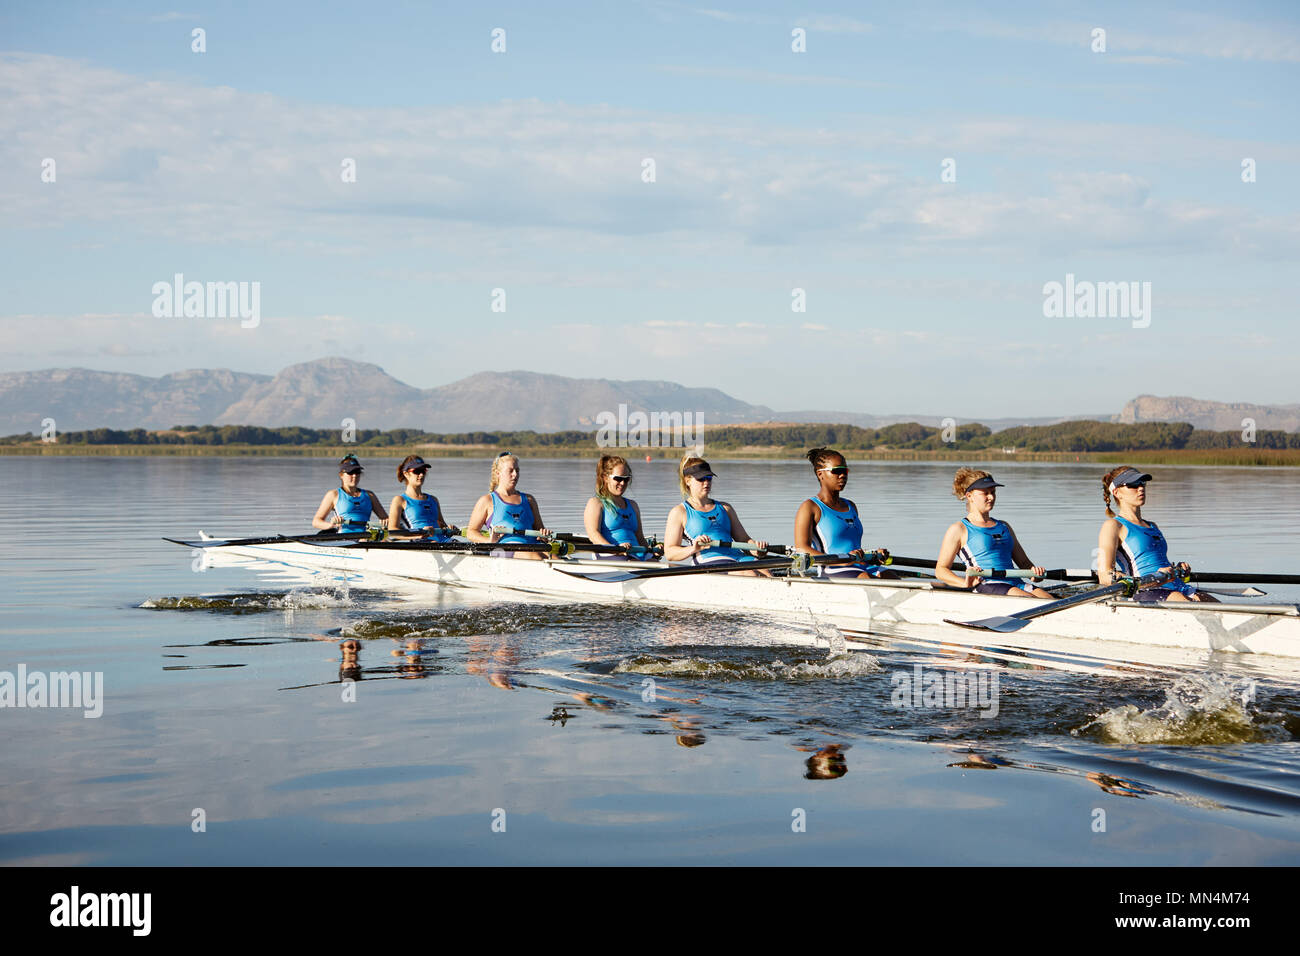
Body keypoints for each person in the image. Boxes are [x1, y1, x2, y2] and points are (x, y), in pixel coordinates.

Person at [1096, 466, 1216, 603]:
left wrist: (1178, 570)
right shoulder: (1113, 526)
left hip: (1178, 587)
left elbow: (1156, 562)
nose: (1140, 488)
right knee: (1188, 604)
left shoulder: (1153, 526)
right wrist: (1129, 580)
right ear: (1117, 492)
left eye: (1142, 483)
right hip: (1146, 591)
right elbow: (1104, 576)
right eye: (1133, 484)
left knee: (1220, 606)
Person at [935, 468, 1052, 598]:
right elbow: (941, 570)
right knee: (1031, 600)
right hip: (987, 583)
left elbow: (1024, 564)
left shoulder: (1004, 526)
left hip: (1016, 583)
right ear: (969, 496)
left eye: (993, 492)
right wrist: (964, 583)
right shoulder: (959, 529)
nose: (991, 497)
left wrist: (1035, 574)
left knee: (1054, 602)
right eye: (985, 493)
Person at [793, 447, 897, 578]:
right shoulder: (810, 507)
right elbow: (802, 548)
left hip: (861, 565)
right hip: (833, 569)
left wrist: (873, 554)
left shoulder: (851, 506)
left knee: (892, 576)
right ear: (820, 474)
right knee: (866, 578)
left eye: (845, 470)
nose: (843, 475)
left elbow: (851, 545)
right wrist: (841, 561)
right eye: (837, 471)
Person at [663, 456, 768, 572]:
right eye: (701, 479)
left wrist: (756, 548)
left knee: (768, 573)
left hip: (739, 557)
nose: (706, 482)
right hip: (710, 560)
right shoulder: (679, 512)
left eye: (709, 478)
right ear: (688, 481)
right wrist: (693, 548)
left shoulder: (725, 508)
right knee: (749, 575)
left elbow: (744, 540)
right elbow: (670, 553)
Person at [466, 453, 551, 560]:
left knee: (556, 559)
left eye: (517, 470)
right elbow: (471, 532)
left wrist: (544, 534)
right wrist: (489, 541)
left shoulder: (529, 500)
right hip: (503, 548)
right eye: (510, 470)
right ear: (498, 473)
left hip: (533, 545)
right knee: (535, 557)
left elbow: (539, 530)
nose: (515, 474)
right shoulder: (487, 501)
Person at [583, 454, 653, 559]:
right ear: (605, 478)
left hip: (637, 555)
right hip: (611, 556)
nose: (622, 483)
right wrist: (615, 549)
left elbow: (640, 538)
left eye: (626, 479)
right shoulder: (596, 503)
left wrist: (652, 552)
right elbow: (593, 535)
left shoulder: (633, 505)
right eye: (618, 478)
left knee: (667, 567)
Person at [312, 454, 387, 532]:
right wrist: (332, 525)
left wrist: (386, 523)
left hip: (366, 537)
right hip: (343, 539)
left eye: (357, 472)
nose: (354, 476)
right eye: (350, 472)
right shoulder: (333, 495)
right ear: (341, 475)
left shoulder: (370, 495)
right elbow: (316, 522)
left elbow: (386, 519)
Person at [387, 455, 453, 538]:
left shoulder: (433, 499)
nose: (421, 475)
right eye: (417, 471)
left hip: (442, 542)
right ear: (406, 473)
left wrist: (449, 529)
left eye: (423, 471)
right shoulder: (399, 500)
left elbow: (442, 526)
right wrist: (418, 536)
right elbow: (393, 531)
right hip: (420, 542)